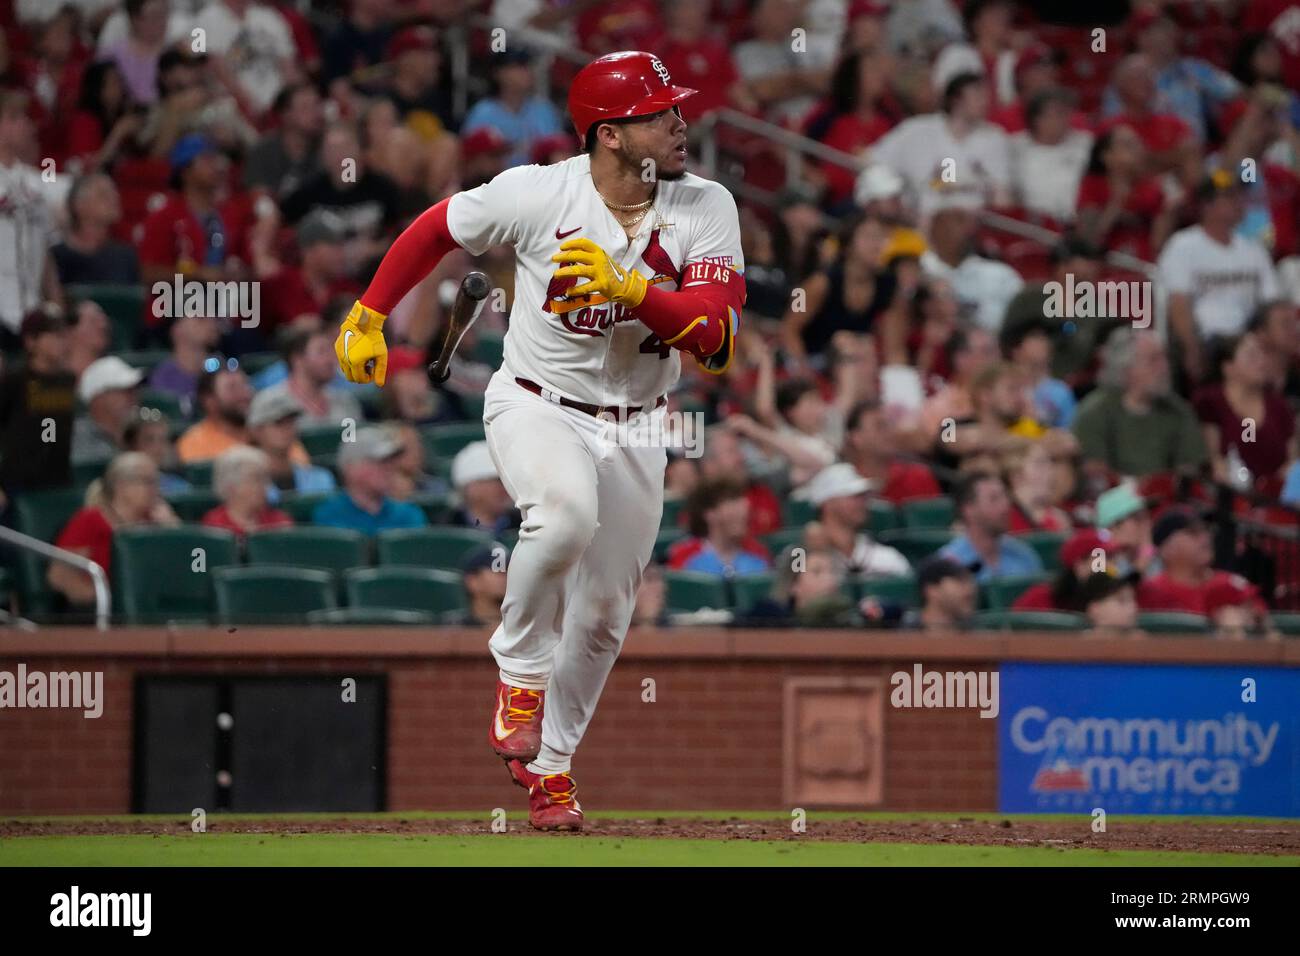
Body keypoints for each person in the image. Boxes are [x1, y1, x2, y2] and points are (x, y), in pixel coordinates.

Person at [335, 51, 745, 831]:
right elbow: (437, 228)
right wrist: (369, 312)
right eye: (660, 113)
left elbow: (716, 334)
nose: (680, 123)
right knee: (560, 517)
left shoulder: (706, 205)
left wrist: (634, 290)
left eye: (675, 109)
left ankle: (551, 773)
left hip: (640, 424)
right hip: (537, 403)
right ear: (612, 135)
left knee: (603, 615)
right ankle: (519, 678)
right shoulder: (537, 192)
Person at [1159, 173, 1280, 383]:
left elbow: (1271, 304)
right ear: (1207, 205)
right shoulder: (1183, 245)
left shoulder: (1253, 250)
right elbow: (1178, 304)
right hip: (1208, 341)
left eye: (1239, 197)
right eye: (1229, 197)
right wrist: (1191, 347)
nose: (1238, 203)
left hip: (1248, 337)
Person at [1072, 328, 1209, 483]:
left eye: (1164, 358)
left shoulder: (1178, 410)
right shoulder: (1094, 413)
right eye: (1153, 360)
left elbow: (1190, 469)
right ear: (1126, 368)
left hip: (1169, 501)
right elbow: (1095, 473)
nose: (1164, 367)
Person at [48, 451, 179, 608]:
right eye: (147, 481)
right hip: (101, 612)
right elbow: (58, 575)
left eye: (157, 482)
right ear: (121, 485)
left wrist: (172, 529)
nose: (156, 490)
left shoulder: (157, 521)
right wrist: (103, 599)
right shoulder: (90, 520)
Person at [870, 72, 1011, 216]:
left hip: (973, 224)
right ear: (956, 100)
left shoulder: (994, 137)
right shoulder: (916, 130)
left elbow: (1001, 192)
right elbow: (873, 160)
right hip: (918, 220)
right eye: (977, 96)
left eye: (986, 97)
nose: (984, 102)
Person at [0, 90, 63, 350]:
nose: (26, 125)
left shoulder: (37, 183)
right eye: (15, 117)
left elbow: (47, 253)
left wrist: (56, 304)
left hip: (33, 315)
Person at [1194, 333, 1294, 495]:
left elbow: (1292, 459)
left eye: (1262, 355)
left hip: (1277, 497)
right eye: (1252, 356)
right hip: (1229, 495)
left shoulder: (1279, 406)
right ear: (1228, 368)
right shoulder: (1211, 402)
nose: (1261, 362)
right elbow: (1212, 457)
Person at [0, 309, 75, 512]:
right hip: (17, 484)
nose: (62, 341)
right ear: (31, 341)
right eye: (53, 334)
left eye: (63, 334)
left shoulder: (68, 380)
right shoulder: (15, 381)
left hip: (59, 481)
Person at [1137, 508, 1268, 621]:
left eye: (1206, 530)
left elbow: (1266, 622)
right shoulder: (1150, 591)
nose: (1205, 537)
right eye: (1193, 532)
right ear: (1166, 548)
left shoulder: (1229, 584)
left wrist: (1246, 620)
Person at [798, 463, 911, 577]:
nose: (862, 503)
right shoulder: (798, 554)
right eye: (853, 496)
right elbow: (789, 587)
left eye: (864, 497)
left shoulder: (888, 557)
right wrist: (812, 550)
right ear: (827, 503)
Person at [311, 426, 427, 535]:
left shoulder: (408, 516)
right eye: (380, 462)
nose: (389, 468)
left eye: (391, 461)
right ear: (352, 468)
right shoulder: (329, 516)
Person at [460, 48, 564, 168]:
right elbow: (470, 161)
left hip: (538, 180)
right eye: (517, 66)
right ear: (498, 73)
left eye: (526, 66)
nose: (525, 72)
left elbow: (558, 151)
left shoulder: (544, 109)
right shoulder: (483, 112)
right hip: (496, 181)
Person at [937, 471, 1043, 583]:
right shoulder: (949, 564)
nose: (1005, 506)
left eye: (1005, 497)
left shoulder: (1024, 555)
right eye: (994, 499)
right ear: (968, 510)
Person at [259, 325, 364, 431]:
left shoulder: (346, 401)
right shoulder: (270, 403)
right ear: (297, 359)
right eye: (322, 352)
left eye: (332, 351)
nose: (332, 359)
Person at [841, 399, 942, 505]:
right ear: (857, 438)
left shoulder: (918, 478)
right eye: (880, 426)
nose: (889, 431)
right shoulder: (844, 485)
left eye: (890, 424)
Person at [244, 388, 335, 502]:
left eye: (291, 422)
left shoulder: (320, 479)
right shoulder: (246, 486)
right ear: (257, 430)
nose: (287, 429)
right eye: (278, 423)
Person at [49, 174, 140, 286]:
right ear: (79, 205)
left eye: (114, 193)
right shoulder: (57, 257)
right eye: (104, 195)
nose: (115, 199)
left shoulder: (125, 256)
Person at [201, 444, 293, 541]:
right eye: (256, 479)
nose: (266, 486)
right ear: (231, 486)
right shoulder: (215, 525)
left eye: (266, 479)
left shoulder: (279, 521)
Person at [1013, 529, 1112, 611]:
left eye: (1112, 557)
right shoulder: (1040, 599)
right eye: (1103, 557)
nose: (1110, 564)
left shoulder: (1114, 603)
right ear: (1079, 564)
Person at [72, 355, 143, 466]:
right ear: (98, 398)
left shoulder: (142, 434)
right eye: (123, 391)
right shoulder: (77, 437)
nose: (132, 397)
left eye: (134, 390)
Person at [176, 366, 253, 463]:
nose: (244, 394)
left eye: (245, 385)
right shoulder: (195, 443)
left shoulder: (265, 433)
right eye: (232, 388)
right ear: (209, 401)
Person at [446, 440, 519, 535]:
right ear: (472, 488)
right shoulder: (447, 528)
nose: (506, 487)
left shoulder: (526, 524)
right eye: (498, 481)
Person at [903, 555, 977, 630]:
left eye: (969, 581)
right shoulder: (900, 633)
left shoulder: (980, 635)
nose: (970, 589)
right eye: (960, 581)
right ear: (932, 590)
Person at [443, 543, 509, 627]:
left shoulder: (524, 627)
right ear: (472, 581)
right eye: (499, 571)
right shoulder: (450, 628)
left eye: (510, 570)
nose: (506, 576)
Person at [1077, 571, 1139, 636]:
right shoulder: (1073, 643)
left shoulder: (1144, 642)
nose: (1133, 606)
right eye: (1122, 600)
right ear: (1094, 609)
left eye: (1132, 600)